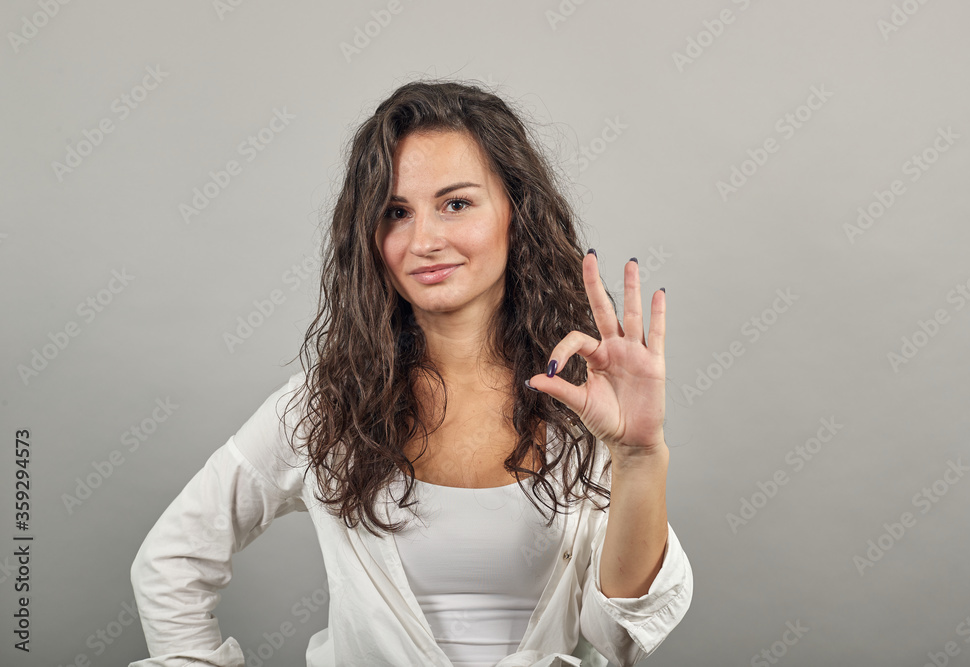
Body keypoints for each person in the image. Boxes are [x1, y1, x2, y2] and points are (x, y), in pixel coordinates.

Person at [128, 79, 693, 667]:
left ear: (516, 212)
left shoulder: (584, 405)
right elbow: (172, 559)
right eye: (396, 213)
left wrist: (637, 456)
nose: (424, 241)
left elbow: (621, 638)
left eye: (457, 204)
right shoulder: (328, 407)